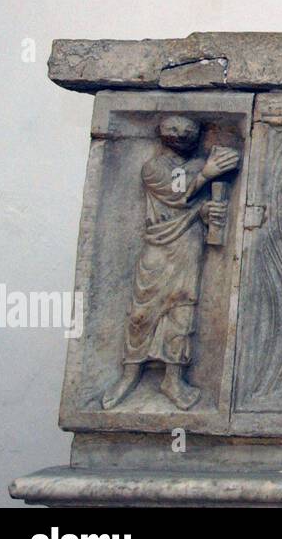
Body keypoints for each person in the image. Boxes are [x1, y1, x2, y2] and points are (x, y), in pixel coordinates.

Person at [101, 116, 239, 411]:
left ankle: (173, 379)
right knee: (141, 313)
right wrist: (207, 173)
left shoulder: (196, 164)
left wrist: (207, 211)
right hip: (157, 247)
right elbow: (178, 192)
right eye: (173, 128)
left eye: (188, 129)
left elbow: (190, 203)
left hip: (188, 245)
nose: (180, 134)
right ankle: (129, 375)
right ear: (159, 131)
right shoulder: (153, 167)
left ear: (199, 132)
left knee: (182, 310)